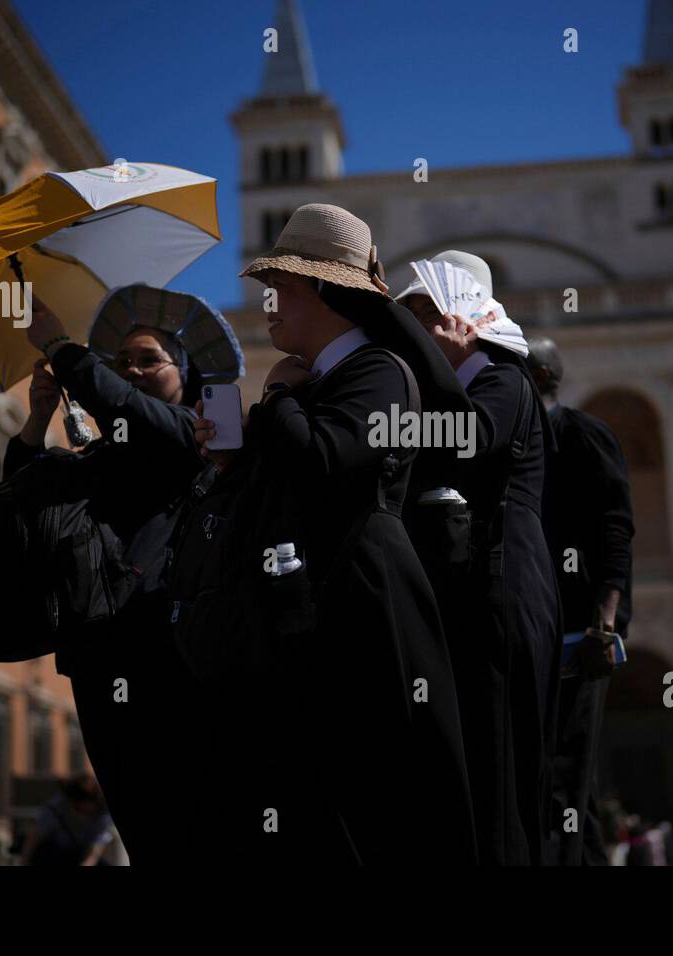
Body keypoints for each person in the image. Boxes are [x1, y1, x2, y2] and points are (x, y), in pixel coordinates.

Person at [192, 204, 476, 863]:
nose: (267, 304)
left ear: (321, 288)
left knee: (372, 808)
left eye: (281, 288)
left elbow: (325, 463)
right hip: (324, 608)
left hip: (366, 604)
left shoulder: (377, 371)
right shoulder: (328, 379)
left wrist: (280, 399)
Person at [7, 284, 223, 863]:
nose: (131, 369)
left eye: (150, 360)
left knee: (189, 822)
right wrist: (37, 421)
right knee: (140, 823)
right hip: (99, 657)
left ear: (185, 376)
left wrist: (57, 342)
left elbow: (130, 410)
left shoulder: (187, 436)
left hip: (170, 650)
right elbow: (18, 502)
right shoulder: (98, 458)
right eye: (122, 361)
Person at [396, 251, 561, 865]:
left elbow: (470, 440)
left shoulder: (500, 377)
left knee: (500, 772)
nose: (418, 335)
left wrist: (451, 363)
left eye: (426, 318)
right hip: (473, 594)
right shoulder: (452, 388)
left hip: (505, 590)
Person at [526, 336, 635, 867]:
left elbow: (617, 530)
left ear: (541, 378)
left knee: (568, 766)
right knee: (564, 772)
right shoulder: (523, 436)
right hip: (543, 622)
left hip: (583, 631)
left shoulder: (585, 435)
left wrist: (605, 623)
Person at [22, 774, 114, 866]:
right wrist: (25, 861)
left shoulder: (104, 815)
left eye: (86, 812)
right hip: (53, 852)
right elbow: (34, 837)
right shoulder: (55, 807)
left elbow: (95, 849)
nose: (81, 815)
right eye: (77, 809)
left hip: (81, 853)